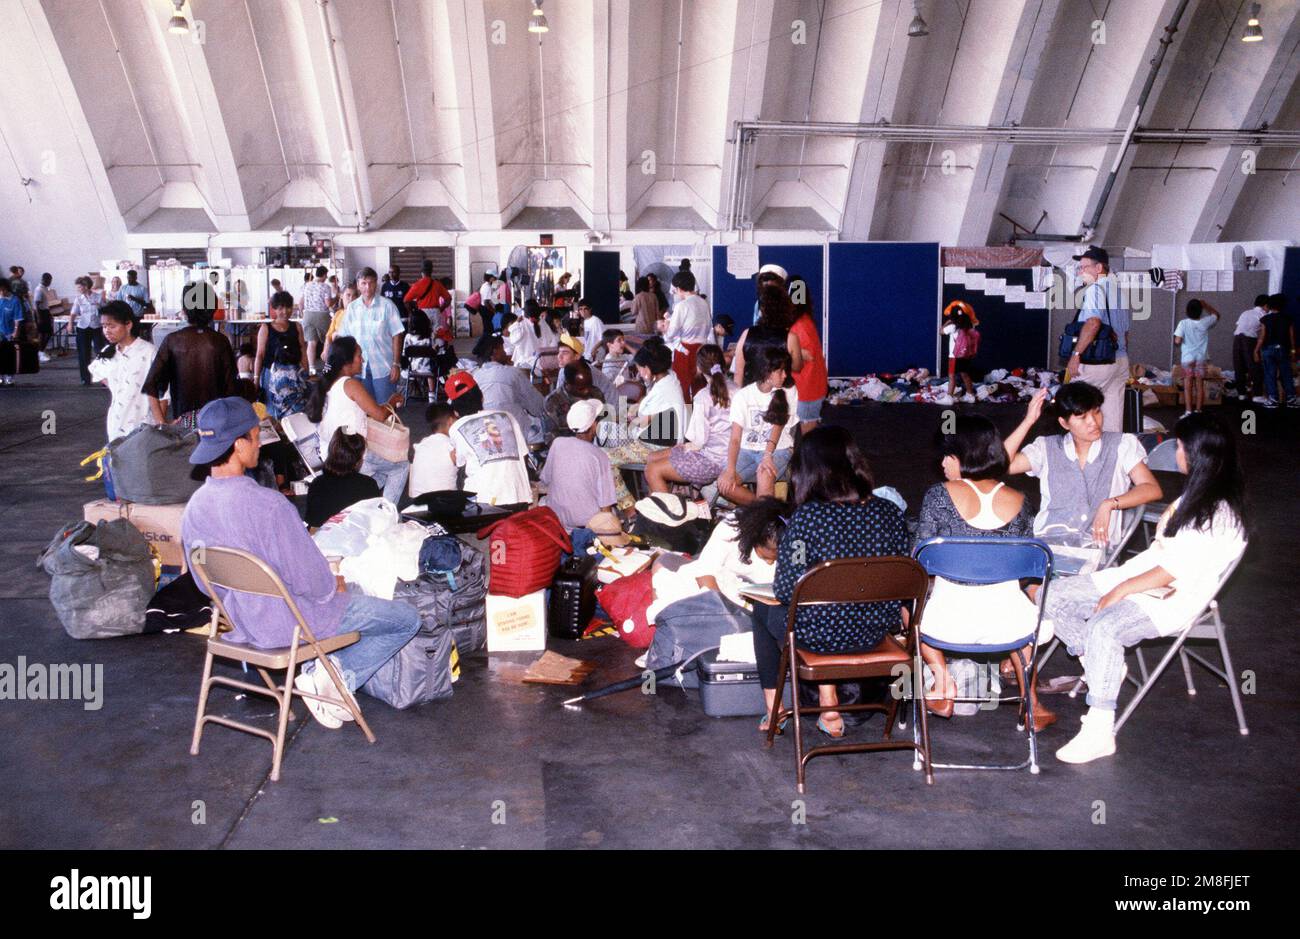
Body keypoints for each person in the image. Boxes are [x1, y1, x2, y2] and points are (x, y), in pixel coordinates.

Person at [181, 396, 420, 729]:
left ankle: (325, 671)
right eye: (255, 435)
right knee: (406, 618)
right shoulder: (268, 505)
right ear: (238, 445)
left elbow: (200, 579)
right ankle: (332, 677)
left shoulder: (194, 507)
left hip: (241, 622)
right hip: (294, 624)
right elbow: (316, 584)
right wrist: (332, 583)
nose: (260, 444)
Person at [1045, 412, 1248, 764]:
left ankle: (1099, 729)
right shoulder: (1195, 497)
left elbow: (1173, 571)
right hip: (1144, 575)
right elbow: (1160, 559)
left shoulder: (1218, 512)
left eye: (1181, 447)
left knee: (1104, 627)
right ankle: (1099, 664)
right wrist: (1120, 584)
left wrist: (1118, 591)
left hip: (1175, 597)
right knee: (1052, 596)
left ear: (1196, 455)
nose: (1176, 454)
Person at [750, 426, 909, 737]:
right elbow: (902, 580)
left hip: (816, 638)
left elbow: (786, 589)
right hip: (874, 633)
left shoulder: (806, 519)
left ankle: (774, 710)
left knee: (761, 610)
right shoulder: (890, 513)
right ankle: (828, 702)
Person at [913, 415, 1054, 728]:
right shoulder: (1021, 501)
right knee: (1020, 614)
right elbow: (1026, 571)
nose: (943, 463)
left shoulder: (938, 495)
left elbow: (918, 561)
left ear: (963, 456)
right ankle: (1031, 702)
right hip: (1010, 626)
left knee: (908, 606)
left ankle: (941, 679)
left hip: (945, 625)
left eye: (947, 455)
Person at [1003, 382, 1161, 546]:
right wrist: (1028, 421)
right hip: (1048, 544)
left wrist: (1110, 503)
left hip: (1098, 550)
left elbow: (1151, 488)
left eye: (1097, 412)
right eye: (1082, 417)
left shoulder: (1121, 444)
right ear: (1064, 423)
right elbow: (1003, 465)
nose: (1093, 422)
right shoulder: (1045, 448)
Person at [645, 498, 788, 669]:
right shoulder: (732, 527)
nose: (771, 563)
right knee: (664, 570)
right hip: (721, 589)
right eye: (765, 557)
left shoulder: (795, 542)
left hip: (756, 603)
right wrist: (725, 614)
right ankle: (664, 645)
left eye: (776, 558)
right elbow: (705, 573)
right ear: (753, 538)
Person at [306, 336, 408, 504]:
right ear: (347, 361)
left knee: (382, 472)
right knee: (401, 466)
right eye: (359, 355)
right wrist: (392, 401)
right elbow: (380, 415)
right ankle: (387, 515)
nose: (362, 360)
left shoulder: (328, 384)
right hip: (352, 456)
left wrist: (384, 405)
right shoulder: (350, 384)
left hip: (330, 455)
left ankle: (360, 501)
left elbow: (363, 411)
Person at [599, 341, 688, 513]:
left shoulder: (664, 390)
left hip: (657, 447)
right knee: (609, 434)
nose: (639, 373)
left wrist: (622, 419)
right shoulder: (671, 379)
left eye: (640, 369)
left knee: (604, 459)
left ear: (647, 368)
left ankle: (629, 509)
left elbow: (640, 421)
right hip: (659, 438)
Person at [143, 281, 237, 426]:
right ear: (212, 309)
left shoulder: (172, 341)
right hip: (216, 422)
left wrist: (162, 423)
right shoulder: (220, 342)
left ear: (185, 309)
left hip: (184, 424)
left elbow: (151, 385)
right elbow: (231, 389)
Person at [646, 344, 735, 493]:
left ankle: (665, 513)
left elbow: (698, 442)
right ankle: (672, 499)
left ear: (699, 368)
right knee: (653, 457)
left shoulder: (703, 397)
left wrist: (685, 447)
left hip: (712, 461)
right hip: (730, 455)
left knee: (652, 469)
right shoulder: (738, 389)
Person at [719, 346, 799, 507]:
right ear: (767, 373)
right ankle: (765, 509)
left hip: (778, 448)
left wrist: (768, 455)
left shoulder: (789, 390)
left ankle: (765, 522)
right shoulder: (743, 396)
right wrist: (729, 470)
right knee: (724, 485)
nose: (785, 375)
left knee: (765, 474)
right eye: (780, 371)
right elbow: (735, 439)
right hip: (747, 450)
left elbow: (779, 425)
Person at [443, 371, 533, 507]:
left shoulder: (457, 428)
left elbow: (458, 464)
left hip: (484, 505)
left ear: (454, 410)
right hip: (519, 498)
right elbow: (524, 456)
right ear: (482, 397)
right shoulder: (507, 416)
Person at [1067, 246, 1131, 432]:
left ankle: (1080, 456)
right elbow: (1125, 332)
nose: (1080, 272)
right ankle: (1111, 458)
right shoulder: (1120, 292)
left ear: (1098, 268)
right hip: (1120, 360)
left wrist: (1076, 353)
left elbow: (1093, 323)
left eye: (1084, 267)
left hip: (1097, 363)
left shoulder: (1096, 290)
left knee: (1077, 409)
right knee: (1112, 420)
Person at [539, 398, 617, 531]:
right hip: (588, 523)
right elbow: (606, 506)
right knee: (614, 515)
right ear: (594, 425)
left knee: (544, 501)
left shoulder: (557, 443)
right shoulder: (600, 456)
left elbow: (545, 480)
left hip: (557, 519)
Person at [332, 267, 404, 405]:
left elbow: (397, 335)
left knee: (387, 409)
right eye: (364, 283)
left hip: (384, 367)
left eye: (371, 283)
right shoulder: (352, 308)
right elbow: (344, 337)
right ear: (358, 285)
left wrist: (396, 364)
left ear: (376, 283)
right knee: (364, 410)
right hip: (358, 369)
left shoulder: (387, 306)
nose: (367, 287)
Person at [88, 301, 155, 443]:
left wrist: (161, 423)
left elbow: (161, 393)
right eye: (104, 326)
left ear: (128, 324)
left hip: (144, 423)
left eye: (112, 326)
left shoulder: (148, 351)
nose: (107, 331)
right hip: (116, 422)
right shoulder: (107, 352)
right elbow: (100, 373)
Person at [471, 332, 547, 445]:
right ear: (495, 352)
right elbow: (538, 406)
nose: (505, 353)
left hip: (486, 436)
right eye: (502, 349)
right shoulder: (513, 373)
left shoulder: (474, 376)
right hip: (513, 435)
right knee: (543, 426)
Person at [306, 429, 383, 529]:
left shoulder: (317, 484)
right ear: (358, 460)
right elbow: (375, 524)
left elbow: (313, 525)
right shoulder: (368, 485)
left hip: (323, 541)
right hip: (357, 541)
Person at [732, 283, 803, 387]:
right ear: (786, 309)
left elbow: (738, 373)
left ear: (761, 310)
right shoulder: (790, 338)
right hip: (781, 395)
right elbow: (797, 367)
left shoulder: (746, 333)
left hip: (752, 395)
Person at [252, 291, 308, 418]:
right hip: (270, 375)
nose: (285, 311)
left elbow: (303, 350)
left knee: (294, 408)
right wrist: (256, 379)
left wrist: (306, 371)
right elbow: (260, 355)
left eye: (288, 307)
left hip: (294, 374)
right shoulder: (266, 328)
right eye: (280, 308)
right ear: (275, 309)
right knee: (271, 409)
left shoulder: (297, 326)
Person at [788, 284, 827, 433]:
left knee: (808, 439)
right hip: (807, 389)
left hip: (807, 390)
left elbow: (807, 355)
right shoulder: (804, 321)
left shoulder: (800, 325)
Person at [1173, 298, 1219, 416]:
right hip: (1201, 359)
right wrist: (1206, 305)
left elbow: (1177, 341)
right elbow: (1216, 315)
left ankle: (1188, 411)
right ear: (1201, 311)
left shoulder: (1183, 323)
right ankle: (1198, 411)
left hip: (1187, 359)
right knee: (1199, 385)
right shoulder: (1206, 322)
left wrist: (1182, 338)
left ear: (1187, 311)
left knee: (1188, 386)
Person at [544, 360, 605, 441]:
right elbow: (551, 438)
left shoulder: (596, 394)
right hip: (566, 448)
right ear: (567, 384)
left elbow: (604, 425)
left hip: (594, 447)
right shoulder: (553, 402)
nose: (587, 391)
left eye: (589, 385)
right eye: (581, 388)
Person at [1254, 293, 1297, 409]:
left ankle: (1273, 399)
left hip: (1268, 349)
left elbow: (1262, 337)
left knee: (1270, 374)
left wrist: (1256, 351)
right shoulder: (1288, 318)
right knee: (1286, 374)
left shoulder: (1265, 319)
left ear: (1270, 305)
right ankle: (1291, 399)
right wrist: (1293, 351)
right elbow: (1292, 336)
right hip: (1283, 349)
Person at [409, 403, 459, 498]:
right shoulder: (451, 446)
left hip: (417, 504)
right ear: (451, 421)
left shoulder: (422, 444)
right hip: (442, 505)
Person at [1231, 294, 1267, 402]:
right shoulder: (1263, 315)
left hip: (1237, 339)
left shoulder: (1245, 312)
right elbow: (1263, 332)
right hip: (1249, 340)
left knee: (1239, 367)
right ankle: (1257, 395)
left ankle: (1241, 394)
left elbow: (1239, 325)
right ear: (1265, 305)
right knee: (1255, 367)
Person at [69, 276, 104, 386]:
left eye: (80, 287)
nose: (78, 289)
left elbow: (106, 310)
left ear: (86, 286)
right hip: (83, 327)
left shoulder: (98, 297)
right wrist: (70, 324)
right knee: (84, 354)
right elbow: (73, 313)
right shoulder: (78, 299)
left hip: (96, 326)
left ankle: (102, 377)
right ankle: (85, 378)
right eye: (78, 288)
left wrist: (100, 307)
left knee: (100, 352)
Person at [507, 300, 556, 374]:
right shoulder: (543, 323)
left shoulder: (521, 325)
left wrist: (516, 323)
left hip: (526, 366)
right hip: (544, 364)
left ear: (525, 313)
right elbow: (552, 341)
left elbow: (513, 340)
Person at [943, 306, 981, 402]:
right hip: (966, 355)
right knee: (965, 374)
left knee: (951, 376)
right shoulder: (969, 326)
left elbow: (941, 332)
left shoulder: (953, 327)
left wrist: (947, 322)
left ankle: (948, 398)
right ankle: (970, 395)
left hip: (954, 356)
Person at [301, 266, 333, 374]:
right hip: (322, 315)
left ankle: (312, 369)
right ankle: (327, 368)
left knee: (311, 343)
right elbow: (328, 304)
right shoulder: (325, 287)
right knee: (327, 341)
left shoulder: (306, 285)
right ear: (324, 275)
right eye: (326, 275)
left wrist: (303, 313)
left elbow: (301, 302)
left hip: (308, 315)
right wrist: (336, 298)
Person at [0, 278, 25, 387]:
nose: (2, 293)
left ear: (7, 289)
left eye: (3, 290)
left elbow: (17, 317)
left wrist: (16, 331)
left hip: (9, 331)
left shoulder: (14, 300)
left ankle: (9, 376)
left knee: (9, 354)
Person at [33, 272, 60, 361]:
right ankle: (40, 352)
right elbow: (37, 304)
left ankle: (41, 351)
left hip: (45, 311)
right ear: (45, 280)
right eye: (49, 280)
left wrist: (49, 314)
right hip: (41, 313)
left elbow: (45, 304)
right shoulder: (39, 289)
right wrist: (39, 317)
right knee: (43, 333)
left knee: (48, 333)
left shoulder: (45, 289)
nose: (50, 282)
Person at [576, 298, 605, 363]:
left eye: (585, 309)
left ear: (590, 309)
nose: (583, 311)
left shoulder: (596, 321)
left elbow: (603, 338)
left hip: (595, 355)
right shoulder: (585, 321)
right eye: (580, 309)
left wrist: (594, 349)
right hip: (587, 355)